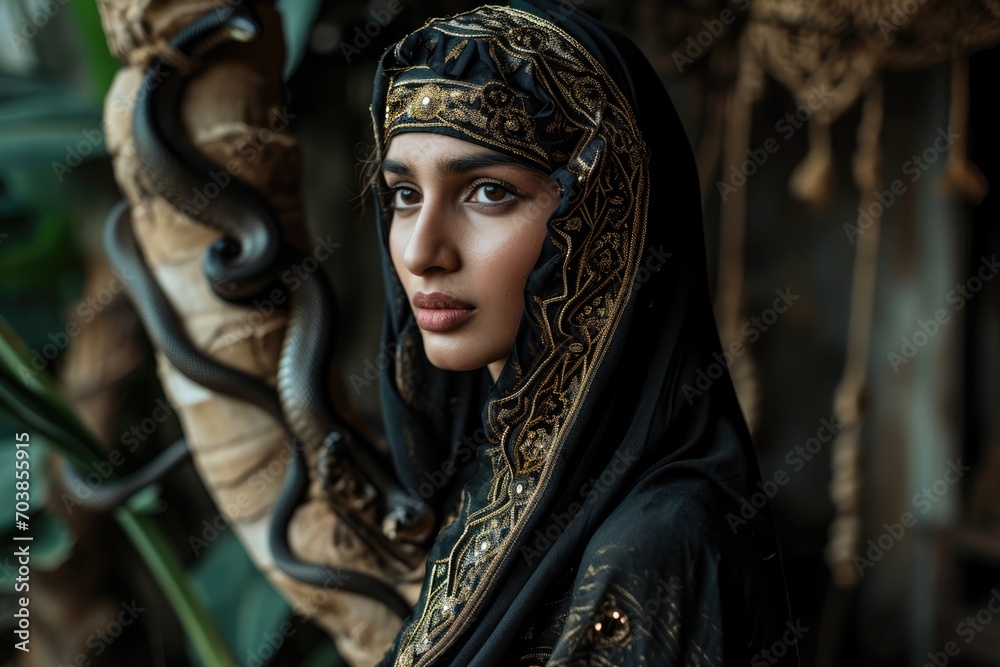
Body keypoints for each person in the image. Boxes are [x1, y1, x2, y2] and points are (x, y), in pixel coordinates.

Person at [367, 1, 798, 664]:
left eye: (487, 191)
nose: (422, 251)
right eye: (404, 194)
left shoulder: (655, 546)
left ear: (606, 226)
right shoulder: (500, 479)